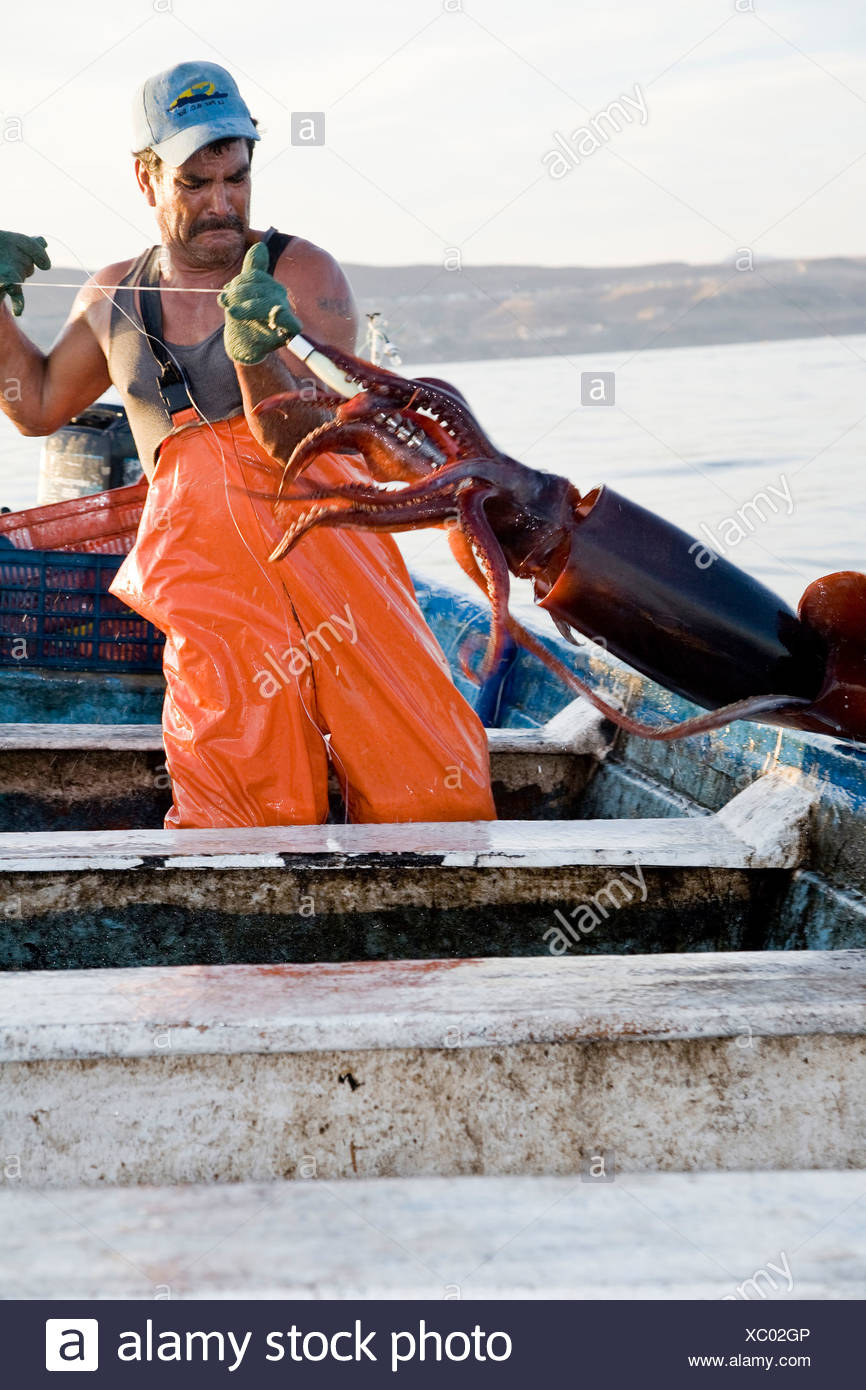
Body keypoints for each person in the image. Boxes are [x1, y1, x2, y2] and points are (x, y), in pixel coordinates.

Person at [0, 60, 495, 829]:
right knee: (241, 800)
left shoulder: (303, 273)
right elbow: (31, 407)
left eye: (236, 177)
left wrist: (256, 350)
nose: (222, 203)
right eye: (195, 183)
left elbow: (322, 438)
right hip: (207, 580)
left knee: (427, 771)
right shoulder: (113, 298)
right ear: (145, 178)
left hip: (331, 553)